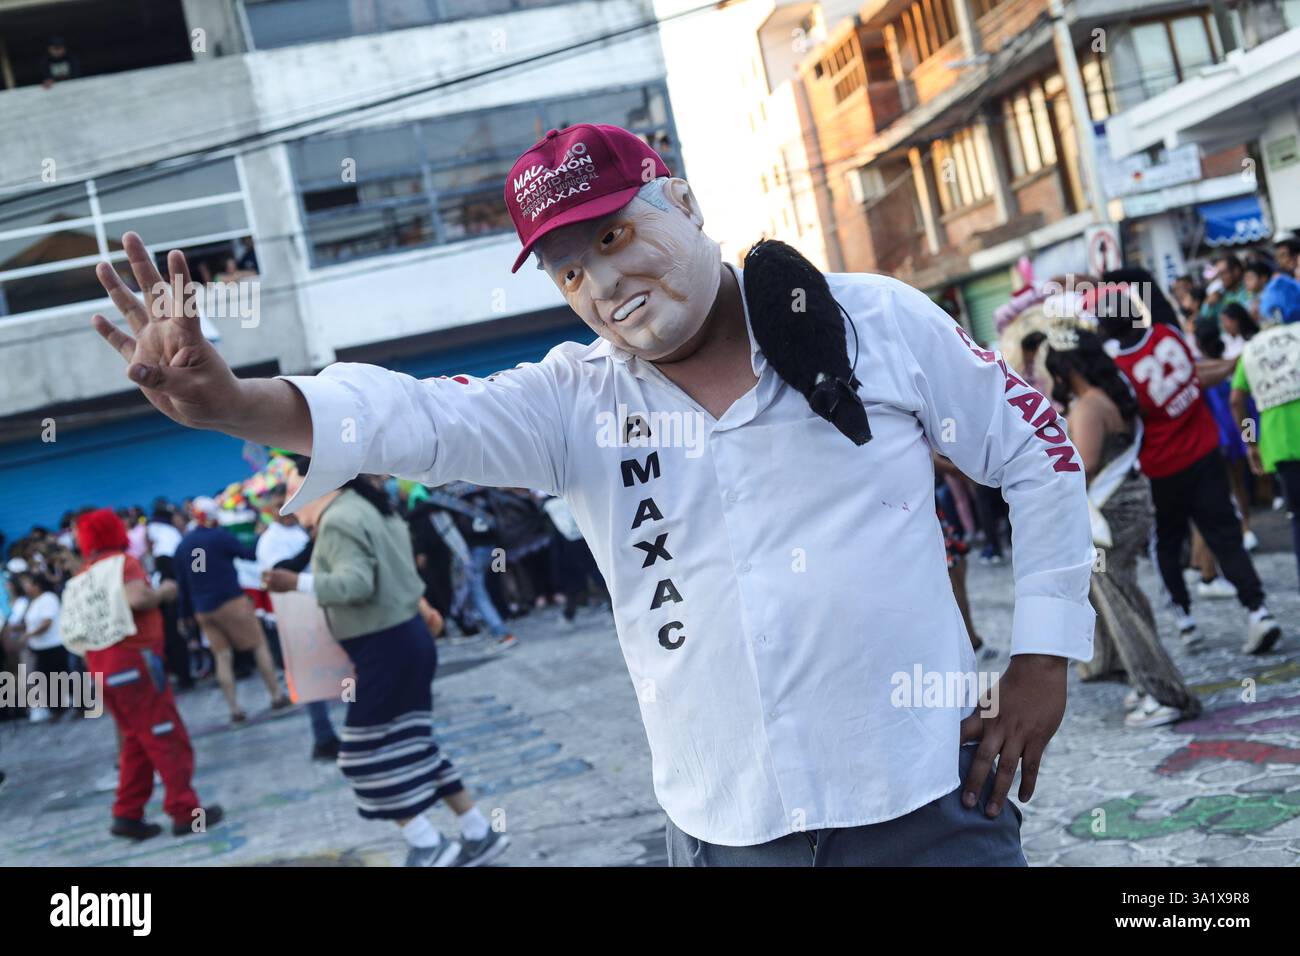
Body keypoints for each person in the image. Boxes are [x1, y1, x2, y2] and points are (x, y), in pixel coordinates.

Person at [91, 124, 1099, 867]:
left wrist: (1043, 657)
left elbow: (1038, 452)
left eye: (615, 237)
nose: (602, 283)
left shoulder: (870, 322)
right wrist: (237, 402)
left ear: (683, 203)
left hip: (923, 793)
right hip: (725, 824)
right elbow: (417, 418)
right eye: (571, 269)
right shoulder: (572, 402)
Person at [263, 464, 508, 867]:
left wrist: (297, 584)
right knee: (417, 744)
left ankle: (428, 843)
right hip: (406, 640)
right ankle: (479, 833)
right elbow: (402, 569)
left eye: (292, 492)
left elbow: (357, 584)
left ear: (315, 486)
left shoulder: (340, 519)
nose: (289, 505)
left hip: (385, 648)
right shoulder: (371, 506)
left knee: (358, 756)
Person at [1098, 269, 1282, 654]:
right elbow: (1196, 378)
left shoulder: (1118, 373)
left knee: (1166, 544)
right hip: (1205, 454)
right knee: (1225, 534)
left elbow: (1121, 426)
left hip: (1163, 470)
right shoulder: (1169, 333)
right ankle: (1257, 611)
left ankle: (1184, 620)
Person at [1045, 329, 1200, 728]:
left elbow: (1084, 465)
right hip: (1129, 504)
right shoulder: (1110, 397)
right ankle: (1142, 680)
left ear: (1067, 368)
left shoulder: (1088, 407)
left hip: (1109, 516)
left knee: (1120, 603)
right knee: (1125, 597)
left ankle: (1165, 692)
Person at [70, 508, 222, 841]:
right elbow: (138, 597)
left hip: (101, 667)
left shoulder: (84, 574)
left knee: (136, 742)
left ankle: (127, 814)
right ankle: (186, 813)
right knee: (166, 736)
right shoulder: (122, 563)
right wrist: (165, 592)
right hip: (133, 663)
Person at [174, 496, 289, 723]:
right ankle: (276, 696)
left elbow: (184, 584)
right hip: (231, 602)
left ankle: (235, 710)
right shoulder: (219, 537)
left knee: (222, 656)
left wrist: (184, 615)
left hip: (203, 609)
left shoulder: (184, 545)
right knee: (258, 646)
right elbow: (248, 553)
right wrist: (259, 533)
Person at [1231, 309, 1300, 589]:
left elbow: (1237, 400)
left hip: (1281, 445)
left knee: (1297, 518)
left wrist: (1250, 441)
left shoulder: (1251, 351)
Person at [16, 572, 63, 722]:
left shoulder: (48, 598)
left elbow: (46, 622)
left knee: (63, 677)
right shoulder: (33, 602)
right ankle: (57, 709)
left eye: (29, 584)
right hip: (40, 648)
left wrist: (28, 635)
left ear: (37, 585)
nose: (26, 587)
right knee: (45, 679)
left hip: (54, 645)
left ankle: (80, 705)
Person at [1243, 258, 1300, 327]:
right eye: (1245, 279)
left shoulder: (1276, 293)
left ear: (1263, 278)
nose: (1246, 283)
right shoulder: (1251, 299)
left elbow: (1279, 321)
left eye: (1250, 278)